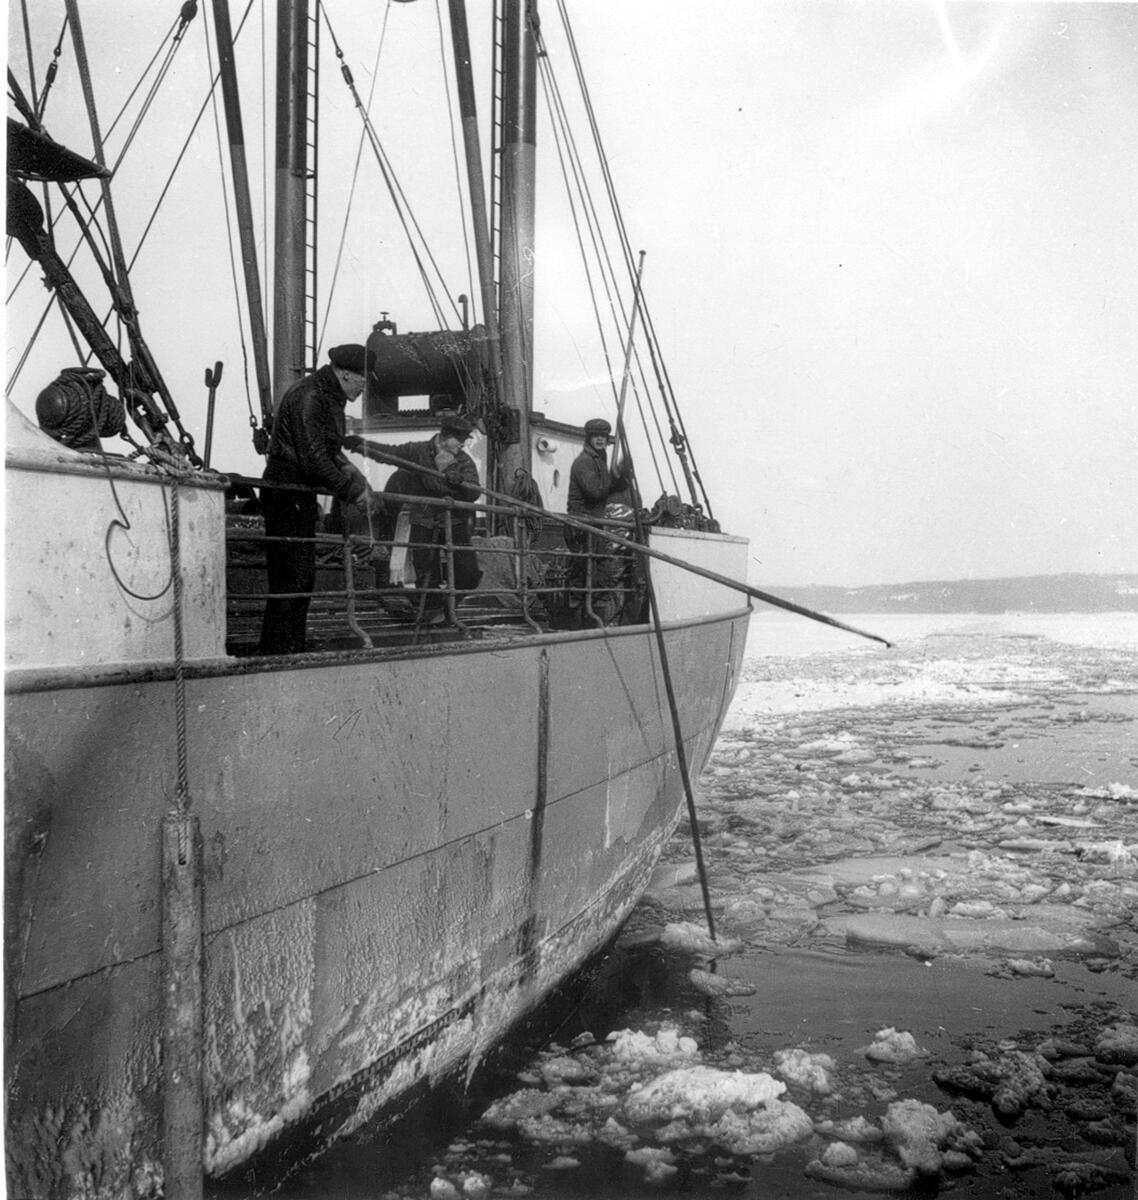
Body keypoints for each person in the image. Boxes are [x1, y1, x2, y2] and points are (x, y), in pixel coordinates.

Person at [257, 343, 370, 654]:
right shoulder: (312, 396)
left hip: (298, 493)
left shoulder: (328, 395)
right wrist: (352, 491)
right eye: (363, 380)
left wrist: (353, 472)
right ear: (347, 374)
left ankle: (287, 648)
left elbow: (329, 451)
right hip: (287, 490)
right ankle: (279, 652)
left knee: (299, 580)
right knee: (292, 580)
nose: (365, 388)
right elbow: (313, 459)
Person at [345, 412, 483, 623]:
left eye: (465, 440)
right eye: (460, 439)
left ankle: (447, 609)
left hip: (454, 522)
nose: (463, 445)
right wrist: (360, 445)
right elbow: (388, 453)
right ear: (445, 436)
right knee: (426, 575)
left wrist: (458, 478)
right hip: (423, 520)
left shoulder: (463, 461)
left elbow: (474, 492)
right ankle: (434, 618)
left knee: (469, 574)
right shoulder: (418, 451)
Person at [565, 417, 628, 626]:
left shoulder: (598, 460)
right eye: (596, 436)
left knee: (599, 575)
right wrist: (615, 476)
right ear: (589, 437)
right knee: (583, 575)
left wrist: (621, 477)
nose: (601, 439)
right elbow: (596, 491)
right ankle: (577, 624)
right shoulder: (584, 462)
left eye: (603, 436)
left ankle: (591, 623)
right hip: (581, 527)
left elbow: (606, 490)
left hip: (593, 526)